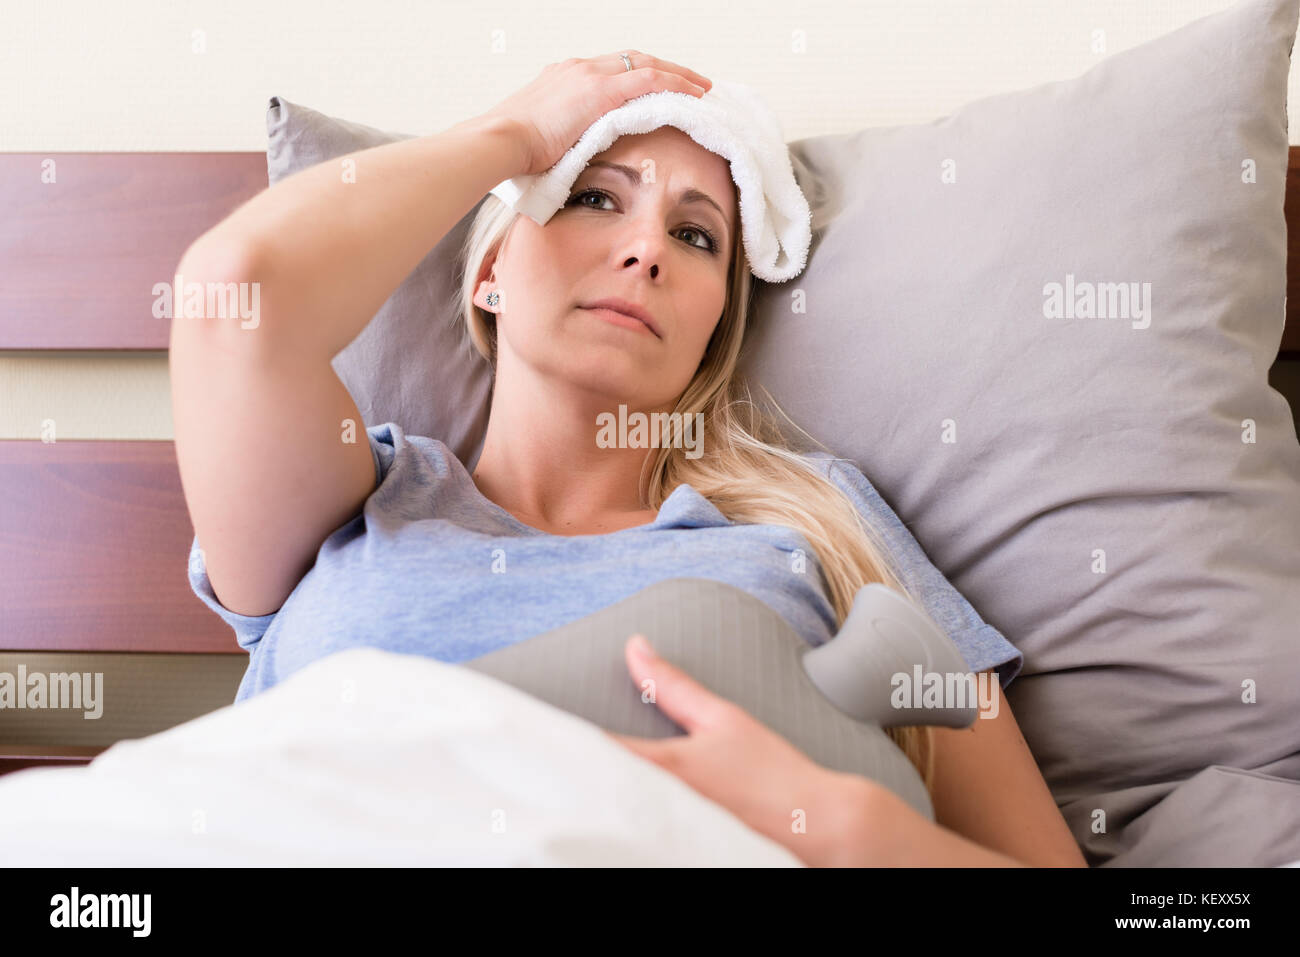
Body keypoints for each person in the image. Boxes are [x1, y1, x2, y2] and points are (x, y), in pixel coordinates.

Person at [170, 50, 1085, 867]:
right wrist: (514, 133)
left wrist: (848, 829)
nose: (646, 248)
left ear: (711, 326)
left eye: (696, 237)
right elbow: (233, 296)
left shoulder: (812, 524)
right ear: (489, 271)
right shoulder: (352, 497)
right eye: (593, 196)